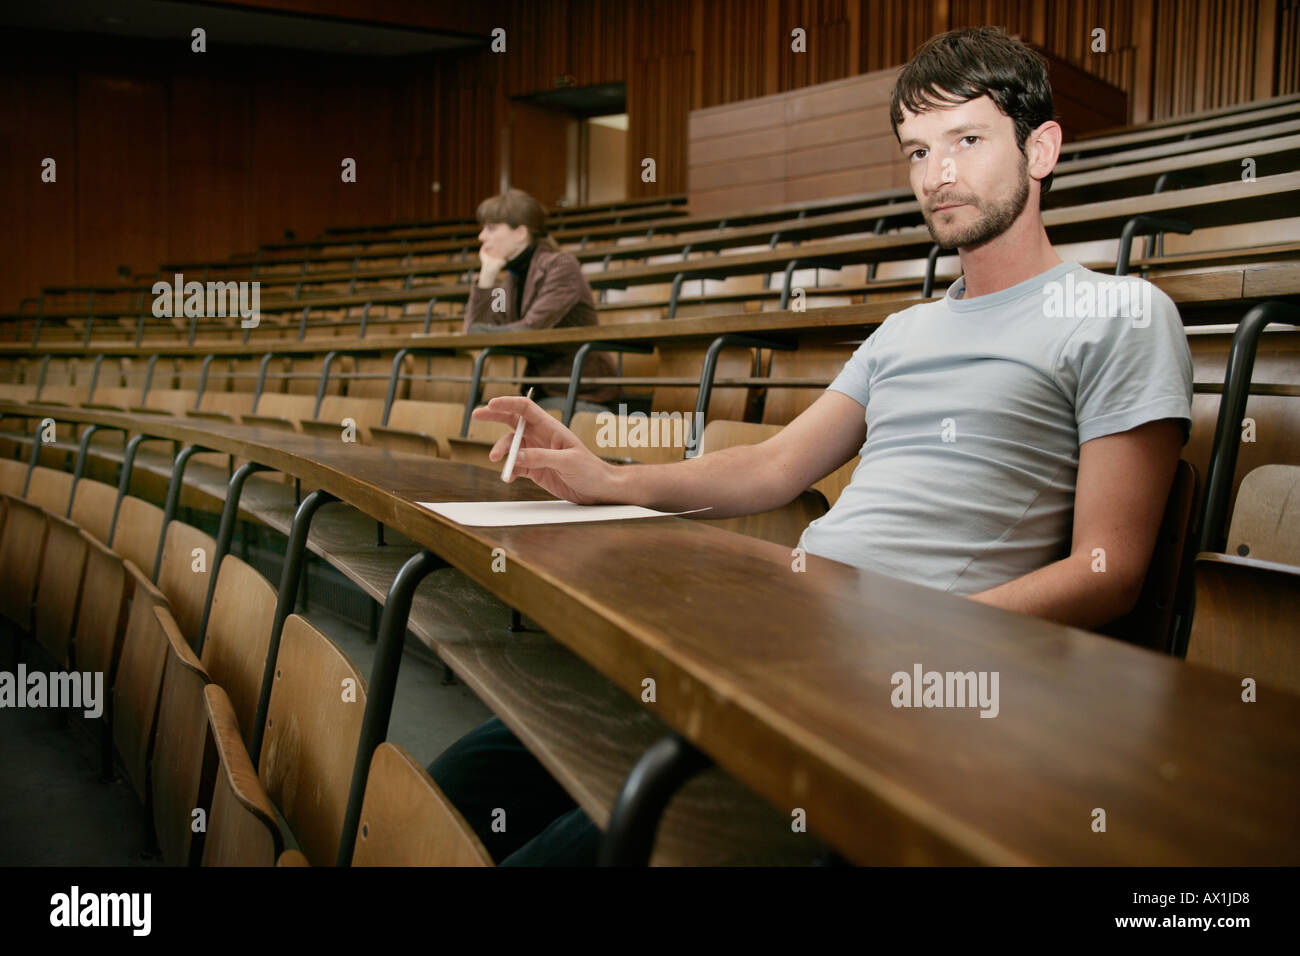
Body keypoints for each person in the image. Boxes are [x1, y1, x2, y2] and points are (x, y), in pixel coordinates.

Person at [430, 26, 1194, 865]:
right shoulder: (904, 330)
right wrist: (602, 477)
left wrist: (913, 645)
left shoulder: (1120, 315)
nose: (937, 176)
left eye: (967, 141)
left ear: (1041, 147)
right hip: (789, 635)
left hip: (902, 679)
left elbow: (1109, 573)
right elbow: (774, 465)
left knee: (584, 845)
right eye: (916, 152)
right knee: (466, 777)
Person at [464, 188, 618, 410]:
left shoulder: (562, 266)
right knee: (483, 415)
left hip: (581, 392)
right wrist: (487, 277)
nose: (481, 237)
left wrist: (480, 331)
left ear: (520, 233)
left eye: (491, 228)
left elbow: (531, 329)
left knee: (494, 418)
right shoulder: (513, 277)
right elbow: (476, 331)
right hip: (542, 392)